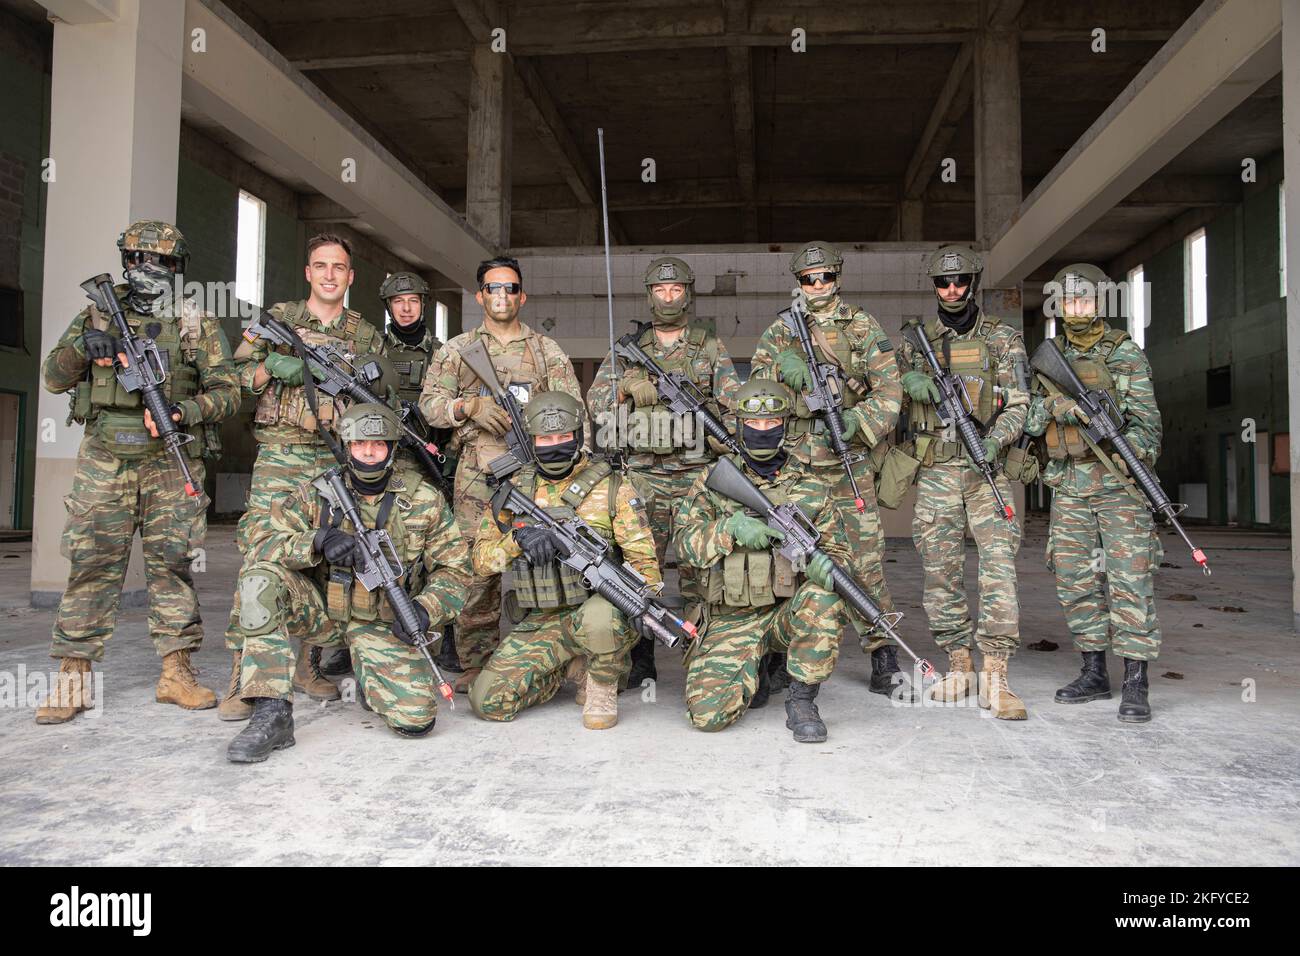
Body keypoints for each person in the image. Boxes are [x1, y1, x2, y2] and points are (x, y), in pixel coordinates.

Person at [35, 220, 239, 723]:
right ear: (126, 261)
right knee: (91, 562)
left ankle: (176, 673)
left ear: (178, 268)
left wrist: (183, 413)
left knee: (173, 565)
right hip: (105, 456)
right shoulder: (97, 316)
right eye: (139, 259)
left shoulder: (196, 323)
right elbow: (52, 378)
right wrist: (85, 347)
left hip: (171, 458)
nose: (150, 270)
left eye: (163, 263)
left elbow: (230, 392)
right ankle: (72, 676)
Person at [226, 403, 471, 762]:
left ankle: (368, 671)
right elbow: (254, 539)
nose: (368, 452)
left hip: (383, 624)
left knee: (416, 719)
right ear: (347, 446)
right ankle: (271, 712)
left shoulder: (423, 500)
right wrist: (315, 541)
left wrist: (425, 609)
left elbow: (456, 572)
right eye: (359, 444)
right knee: (259, 580)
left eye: (378, 445)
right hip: (323, 614)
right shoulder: (320, 492)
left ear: (392, 448)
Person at [219, 233, 385, 720]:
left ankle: (307, 665)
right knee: (263, 552)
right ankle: (244, 675)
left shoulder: (365, 334)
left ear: (350, 277)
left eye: (339, 267)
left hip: (338, 456)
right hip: (282, 453)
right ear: (308, 272)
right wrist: (274, 364)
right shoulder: (277, 320)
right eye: (321, 265)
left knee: (326, 554)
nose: (330, 274)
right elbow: (236, 380)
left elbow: (376, 399)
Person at [419, 256, 585, 693]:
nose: (501, 296)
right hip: (477, 472)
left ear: (521, 296)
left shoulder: (544, 350)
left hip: (536, 469)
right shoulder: (458, 349)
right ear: (479, 296)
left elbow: (574, 408)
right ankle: (476, 659)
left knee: (548, 556)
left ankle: (548, 651)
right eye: (493, 288)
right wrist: (468, 407)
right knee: (479, 568)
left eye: (510, 288)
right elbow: (429, 405)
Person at [750, 241, 904, 696]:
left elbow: (890, 390)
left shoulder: (861, 326)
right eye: (807, 279)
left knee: (865, 558)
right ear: (797, 283)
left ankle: (882, 649)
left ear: (838, 277)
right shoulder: (780, 332)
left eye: (825, 277)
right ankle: (782, 653)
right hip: (796, 463)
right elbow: (757, 395)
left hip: (848, 460)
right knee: (789, 557)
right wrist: (785, 372)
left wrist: (859, 421)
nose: (817, 286)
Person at [586, 256, 740, 689]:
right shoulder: (627, 350)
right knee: (638, 570)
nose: (668, 297)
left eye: (675, 290)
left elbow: (732, 407)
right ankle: (641, 658)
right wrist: (623, 386)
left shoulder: (709, 347)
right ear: (649, 293)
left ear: (687, 292)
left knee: (699, 571)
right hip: (642, 475)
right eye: (660, 290)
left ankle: (698, 657)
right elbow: (596, 405)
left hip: (695, 476)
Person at [674, 379, 855, 742]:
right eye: (753, 424)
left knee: (827, 596)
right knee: (708, 716)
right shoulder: (712, 482)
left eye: (771, 423)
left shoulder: (811, 486)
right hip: (730, 617)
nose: (762, 431)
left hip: (785, 614)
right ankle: (756, 666)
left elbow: (841, 554)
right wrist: (730, 529)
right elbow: (683, 545)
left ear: (784, 426)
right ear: (739, 426)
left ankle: (802, 698)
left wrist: (826, 566)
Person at [467, 392, 659, 730]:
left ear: (578, 435)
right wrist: (517, 540)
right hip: (543, 620)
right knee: (488, 702)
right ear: (531, 439)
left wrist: (635, 604)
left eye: (563, 437)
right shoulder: (514, 489)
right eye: (544, 438)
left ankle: (601, 680)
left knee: (601, 616)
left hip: (599, 615)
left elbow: (647, 570)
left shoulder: (613, 487)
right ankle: (569, 666)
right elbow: (481, 562)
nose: (554, 445)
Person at [1023, 263, 1164, 722]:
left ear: (1100, 302)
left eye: (1084, 300)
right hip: (1070, 485)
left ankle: (1136, 681)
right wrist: (1055, 408)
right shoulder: (1048, 357)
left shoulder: (1125, 354)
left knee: (1129, 581)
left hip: (1120, 486)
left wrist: (1124, 451)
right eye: (1068, 301)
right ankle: (1094, 671)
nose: (1076, 309)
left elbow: (1150, 427)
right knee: (1074, 579)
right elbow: (1025, 421)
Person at [895, 244, 1030, 718]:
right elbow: (888, 392)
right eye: (942, 283)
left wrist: (996, 443)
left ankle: (996, 673)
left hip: (986, 468)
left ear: (973, 283)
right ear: (933, 287)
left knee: (998, 567)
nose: (952, 290)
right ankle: (959, 663)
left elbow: (1019, 402)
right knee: (939, 569)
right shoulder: (915, 342)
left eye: (960, 282)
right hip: (936, 471)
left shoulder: (1002, 338)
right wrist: (908, 381)